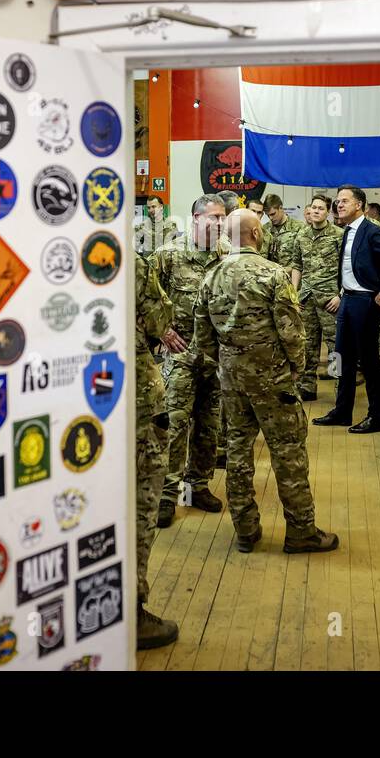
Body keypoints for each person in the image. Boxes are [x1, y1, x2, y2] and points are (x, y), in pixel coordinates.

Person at [193, 208, 339, 554]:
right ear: (257, 234)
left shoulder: (211, 277)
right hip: (273, 377)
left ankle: (245, 530)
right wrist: (295, 368)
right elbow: (292, 332)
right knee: (288, 452)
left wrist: (226, 362)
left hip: (232, 378)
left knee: (238, 452)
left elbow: (203, 336)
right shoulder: (274, 275)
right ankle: (301, 531)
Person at [153, 195, 226, 527]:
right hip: (181, 355)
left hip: (215, 357)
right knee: (175, 426)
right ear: (195, 218)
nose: (220, 223)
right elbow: (144, 295)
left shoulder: (226, 256)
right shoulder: (169, 255)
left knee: (208, 426)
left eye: (223, 217)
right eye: (213, 217)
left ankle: (198, 486)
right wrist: (162, 330)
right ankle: (167, 495)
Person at [311, 185, 380, 434]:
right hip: (347, 301)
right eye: (338, 201)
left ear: (359, 205)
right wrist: (341, 293)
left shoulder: (372, 232)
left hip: (366, 302)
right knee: (340, 358)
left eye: (344, 201)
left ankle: (377, 418)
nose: (338, 205)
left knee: (369, 360)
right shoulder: (347, 231)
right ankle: (342, 410)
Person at [132, 252, 179, 648]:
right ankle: (130, 612)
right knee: (139, 501)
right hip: (132, 395)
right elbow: (157, 321)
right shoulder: (127, 259)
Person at [290, 193, 343, 402]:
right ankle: (307, 386)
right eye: (313, 207)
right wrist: (294, 294)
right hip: (306, 299)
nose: (316, 211)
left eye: (321, 208)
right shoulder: (301, 235)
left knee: (335, 346)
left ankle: (340, 388)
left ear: (328, 212)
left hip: (330, 299)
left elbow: (346, 268)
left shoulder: (339, 235)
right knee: (307, 344)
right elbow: (297, 265)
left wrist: (340, 295)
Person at [263, 193, 301, 267]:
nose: (270, 218)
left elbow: (301, 258)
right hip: (272, 274)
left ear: (280, 208)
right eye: (268, 215)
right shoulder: (265, 229)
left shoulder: (298, 227)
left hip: (291, 275)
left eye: (273, 214)